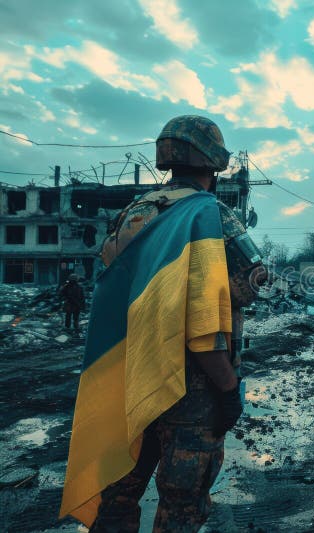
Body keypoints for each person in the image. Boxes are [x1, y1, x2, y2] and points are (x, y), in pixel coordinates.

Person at [61, 115, 267, 532]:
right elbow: (240, 292)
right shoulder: (209, 214)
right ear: (213, 161)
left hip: (131, 376)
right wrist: (228, 387)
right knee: (182, 503)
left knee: (117, 495)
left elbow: (112, 281)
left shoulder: (134, 213)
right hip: (191, 389)